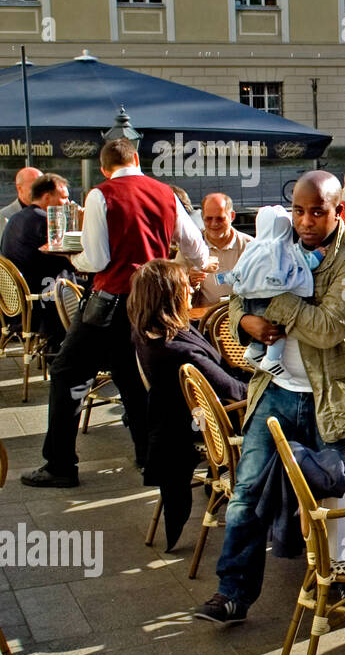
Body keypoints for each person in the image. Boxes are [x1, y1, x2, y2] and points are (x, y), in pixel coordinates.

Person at [196, 170, 345, 623]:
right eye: (298, 210)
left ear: (338, 211)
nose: (305, 221)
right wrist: (245, 322)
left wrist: (274, 302)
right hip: (275, 390)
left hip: (334, 396)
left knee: (336, 492)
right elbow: (240, 292)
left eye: (317, 211)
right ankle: (232, 595)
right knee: (245, 494)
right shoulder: (277, 242)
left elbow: (327, 329)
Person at [21, 139, 212, 489]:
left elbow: (96, 259)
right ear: (137, 158)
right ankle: (146, 457)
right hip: (151, 304)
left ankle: (60, 464)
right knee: (132, 378)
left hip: (110, 301)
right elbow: (198, 252)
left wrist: (70, 256)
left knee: (67, 374)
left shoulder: (101, 194)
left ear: (105, 167)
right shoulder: (165, 193)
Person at [128, 259, 247, 552]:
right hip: (206, 426)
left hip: (171, 419)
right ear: (169, 297)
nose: (191, 292)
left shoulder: (146, 333)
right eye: (185, 288)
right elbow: (233, 392)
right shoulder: (180, 352)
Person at [217, 205, 319, 376]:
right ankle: (272, 359)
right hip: (269, 304)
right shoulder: (283, 249)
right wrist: (319, 255)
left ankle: (255, 350)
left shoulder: (252, 248)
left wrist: (227, 278)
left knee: (267, 331)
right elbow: (305, 264)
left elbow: (239, 273)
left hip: (251, 300)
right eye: (299, 211)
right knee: (277, 332)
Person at [0, 173, 72, 346]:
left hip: (17, 305)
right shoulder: (45, 221)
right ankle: (67, 356)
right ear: (47, 197)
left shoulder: (15, 219)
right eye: (64, 198)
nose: (68, 203)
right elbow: (65, 262)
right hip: (42, 303)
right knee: (92, 296)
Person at [191, 193, 252, 308]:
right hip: (204, 319)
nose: (214, 224)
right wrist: (189, 280)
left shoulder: (250, 246)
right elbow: (173, 285)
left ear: (232, 216)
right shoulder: (191, 247)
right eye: (208, 219)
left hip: (243, 317)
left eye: (220, 218)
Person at [0, 165, 42, 240]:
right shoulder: (4, 216)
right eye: (35, 187)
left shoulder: (50, 213)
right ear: (20, 188)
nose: (40, 192)